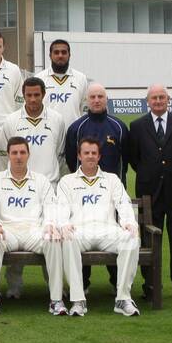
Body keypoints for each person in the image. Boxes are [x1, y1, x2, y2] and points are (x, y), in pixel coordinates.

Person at [124, 84, 172, 301]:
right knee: (149, 240)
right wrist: (151, 173)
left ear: (168, 100)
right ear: (148, 101)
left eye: (162, 97)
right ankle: (151, 284)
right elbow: (134, 158)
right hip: (149, 193)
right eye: (154, 98)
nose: (158, 101)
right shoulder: (136, 126)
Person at [54, 137, 141, 317]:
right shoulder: (67, 181)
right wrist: (63, 223)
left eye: (94, 153)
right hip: (80, 230)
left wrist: (129, 222)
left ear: (99, 156)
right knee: (67, 238)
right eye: (86, 153)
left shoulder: (112, 179)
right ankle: (78, 300)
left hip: (107, 229)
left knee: (132, 239)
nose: (90, 156)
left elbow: (123, 203)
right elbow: (61, 206)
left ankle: (123, 298)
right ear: (79, 156)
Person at [0, 136, 66, 317]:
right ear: (8, 155)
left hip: (33, 231)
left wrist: (50, 224)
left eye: (22, 152)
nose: (18, 156)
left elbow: (50, 205)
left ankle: (56, 300)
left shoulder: (41, 180)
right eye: (14, 153)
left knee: (53, 239)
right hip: (8, 231)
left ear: (28, 155)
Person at [64, 82, 127, 292]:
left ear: (106, 99)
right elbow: (72, 161)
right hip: (83, 193)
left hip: (112, 193)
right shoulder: (77, 127)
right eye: (93, 97)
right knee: (83, 231)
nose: (97, 100)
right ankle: (83, 283)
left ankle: (117, 283)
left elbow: (126, 159)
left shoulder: (118, 126)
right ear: (87, 101)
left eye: (100, 96)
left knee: (112, 233)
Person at [35, 38, 89, 123]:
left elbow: (85, 109)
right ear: (50, 55)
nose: (60, 55)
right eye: (56, 52)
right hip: (49, 132)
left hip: (73, 133)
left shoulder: (81, 78)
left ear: (69, 55)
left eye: (64, 52)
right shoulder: (39, 78)